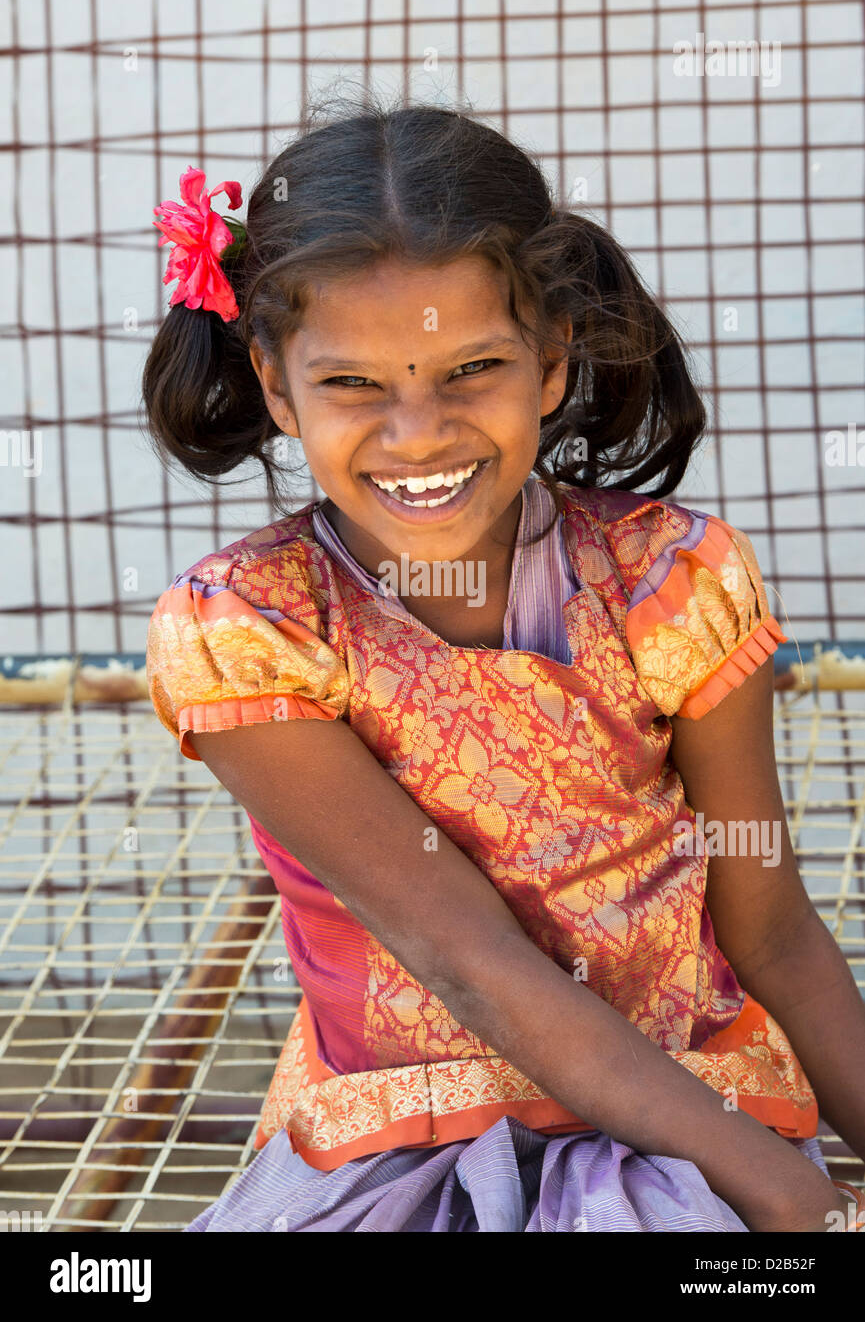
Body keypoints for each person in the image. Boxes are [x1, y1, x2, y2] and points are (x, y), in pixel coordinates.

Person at [142, 91, 865, 1233]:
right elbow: (461, 952)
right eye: (351, 384)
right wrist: (776, 1189)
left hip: (688, 1106)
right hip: (411, 1144)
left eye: (470, 367)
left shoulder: (670, 578)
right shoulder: (252, 625)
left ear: (551, 361)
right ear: (277, 387)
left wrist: (779, 1183)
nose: (416, 433)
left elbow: (767, 921)